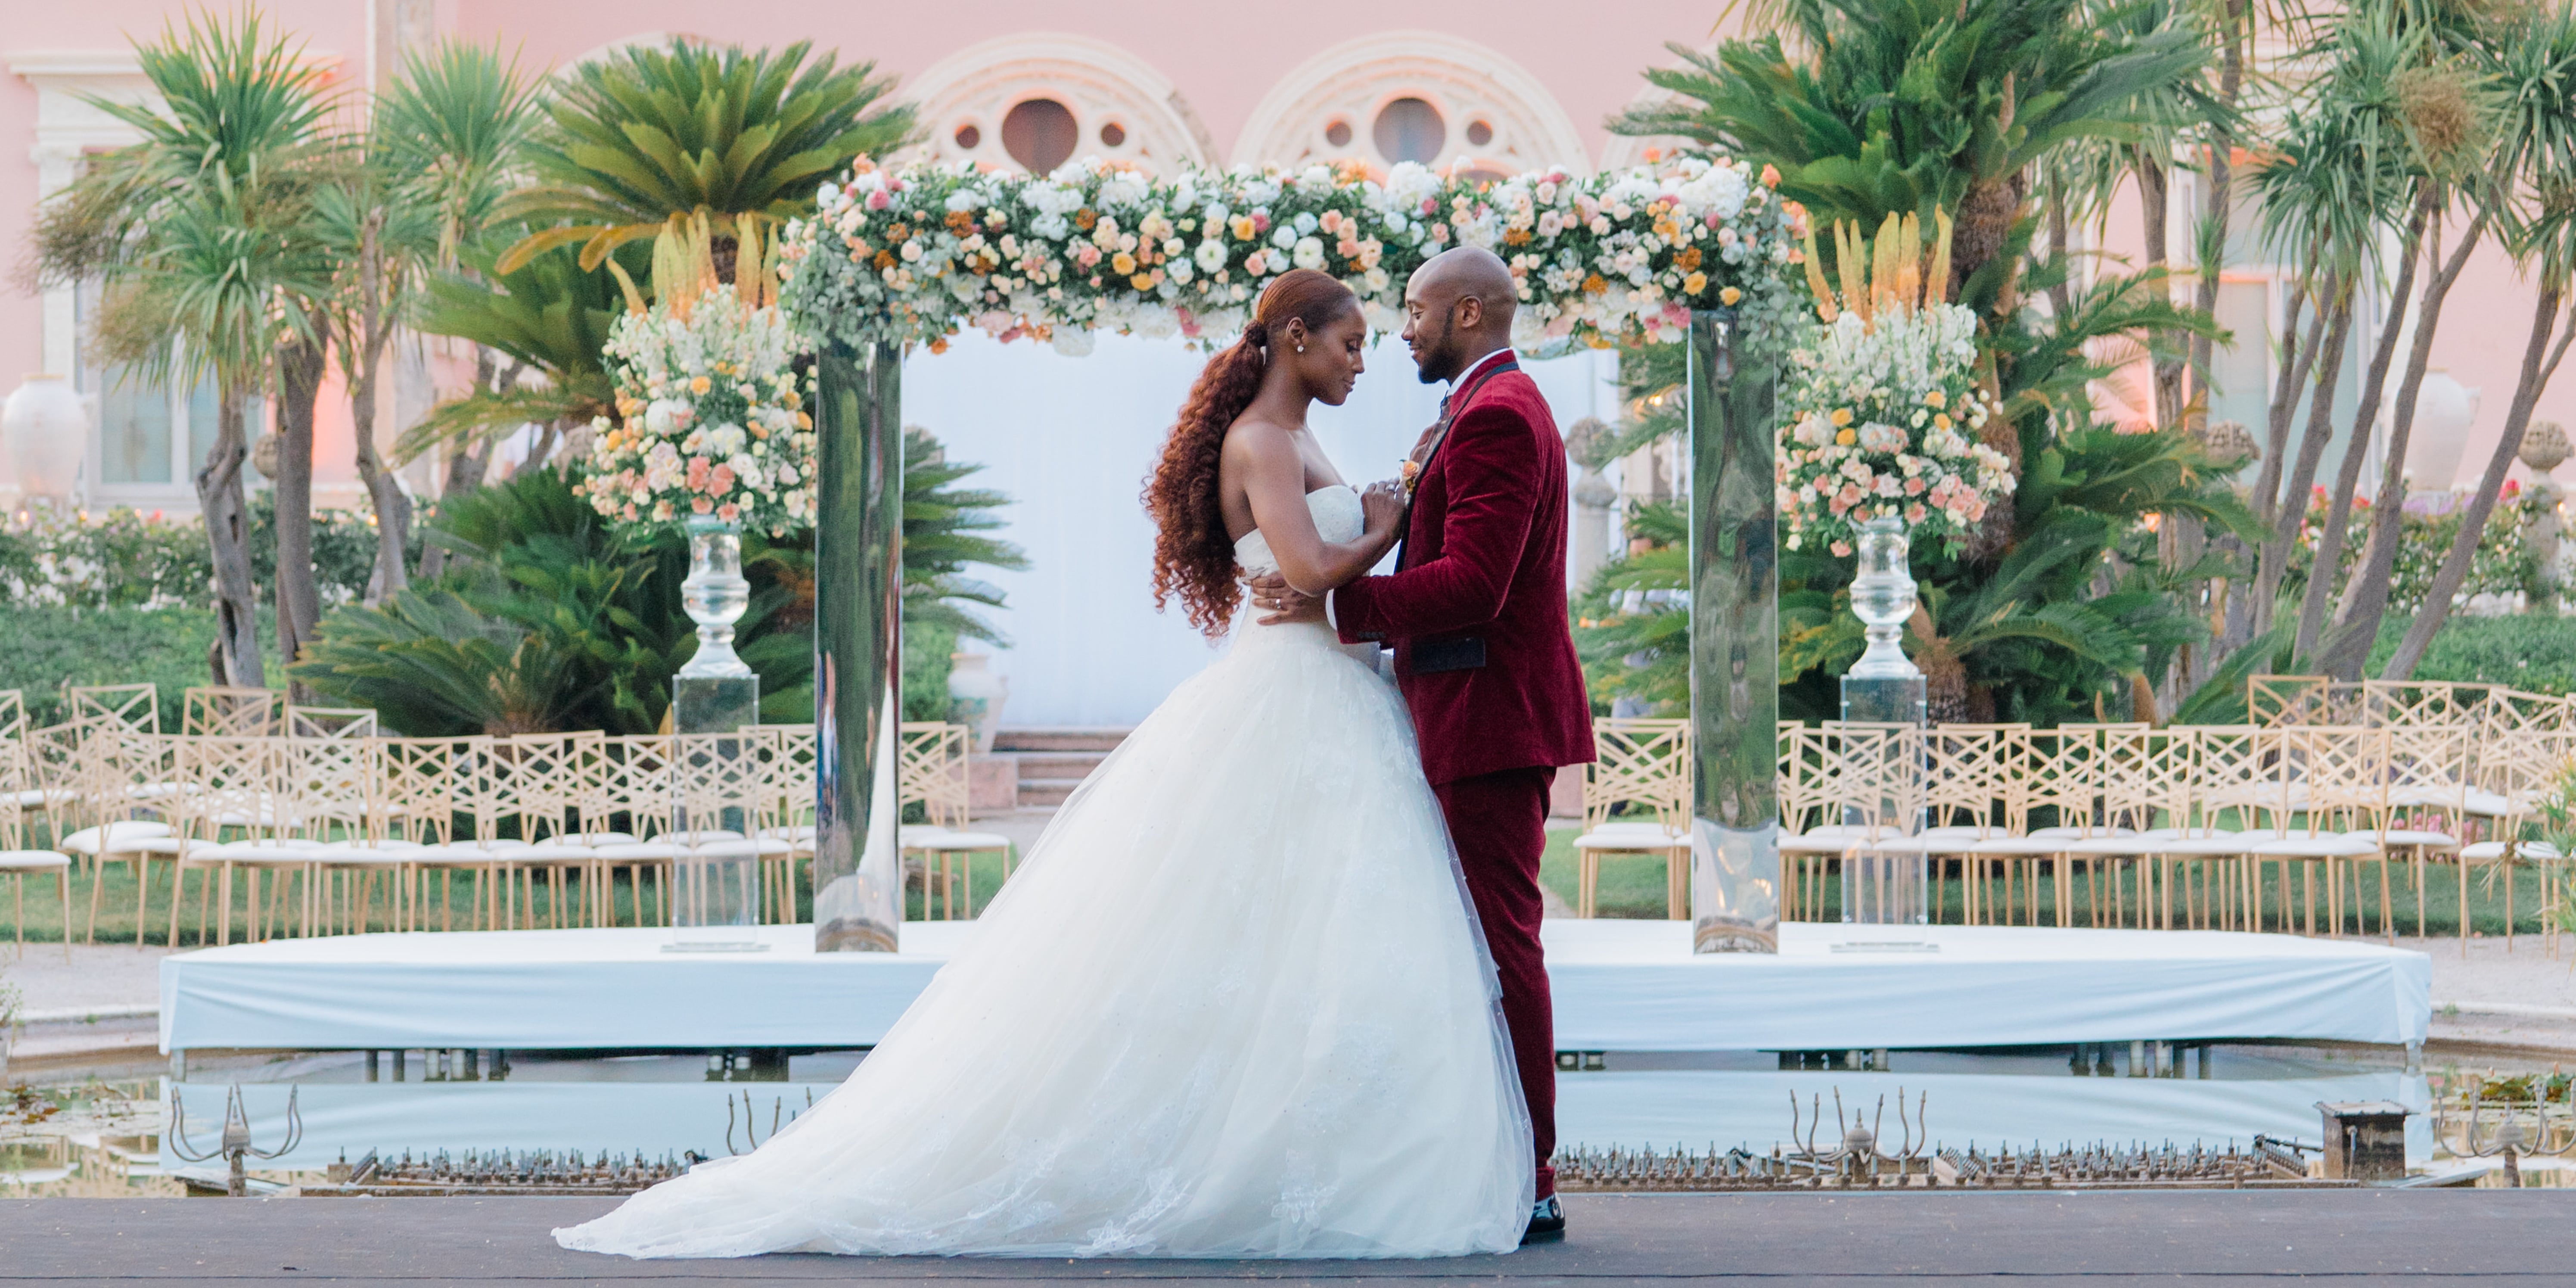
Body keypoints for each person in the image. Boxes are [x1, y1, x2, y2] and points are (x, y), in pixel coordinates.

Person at [553, 267, 1535, 1260]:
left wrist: (1387, 506)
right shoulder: (1263, 442)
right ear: (1292, 339)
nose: (1364, 358)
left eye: (1379, 337)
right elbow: (1314, 573)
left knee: (1323, 939)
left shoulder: (1304, 436)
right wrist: (1387, 519)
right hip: (1293, 692)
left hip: (1337, 698)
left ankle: (1318, 1146)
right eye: (1350, 341)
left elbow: (1330, 566)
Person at [1248, 246, 1594, 1244]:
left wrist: (1334, 596)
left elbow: (1473, 587)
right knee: (1477, 948)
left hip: (1490, 719)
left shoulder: (1496, 417)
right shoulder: (1486, 408)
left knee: (1503, 951)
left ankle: (1531, 1177)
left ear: (1474, 315)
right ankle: (1489, 1158)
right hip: (1464, 714)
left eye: (1417, 311)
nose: (1404, 331)